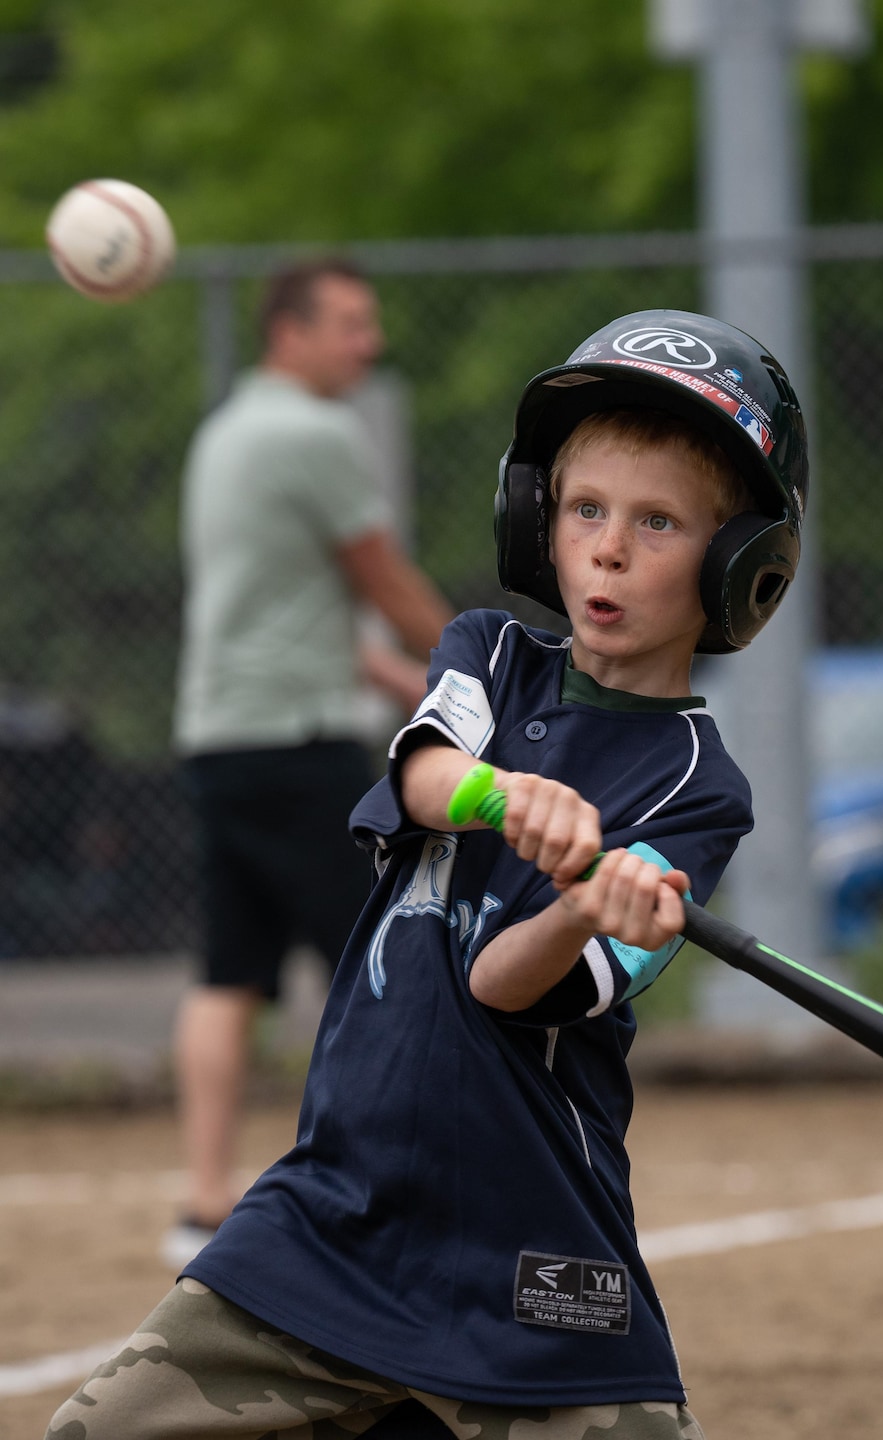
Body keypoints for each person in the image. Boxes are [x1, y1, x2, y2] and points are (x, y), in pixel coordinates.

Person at [47, 307, 808, 1439]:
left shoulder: (700, 790)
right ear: (534, 520)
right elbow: (423, 780)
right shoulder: (490, 657)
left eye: (658, 523)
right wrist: (508, 798)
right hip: (335, 1215)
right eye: (586, 509)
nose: (607, 547)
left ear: (740, 566)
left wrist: (586, 910)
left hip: (534, 1254)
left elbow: (507, 986)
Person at [163, 257, 454, 1269]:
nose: (367, 343)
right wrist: (475, 670)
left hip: (219, 737)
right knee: (380, 965)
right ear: (289, 332)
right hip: (297, 742)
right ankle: (379, 1186)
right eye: (349, 324)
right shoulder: (315, 433)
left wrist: (385, 674)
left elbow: (284, 604)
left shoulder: (227, 431)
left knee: (227, 973)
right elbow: (381, 575)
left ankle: (201, 1203)